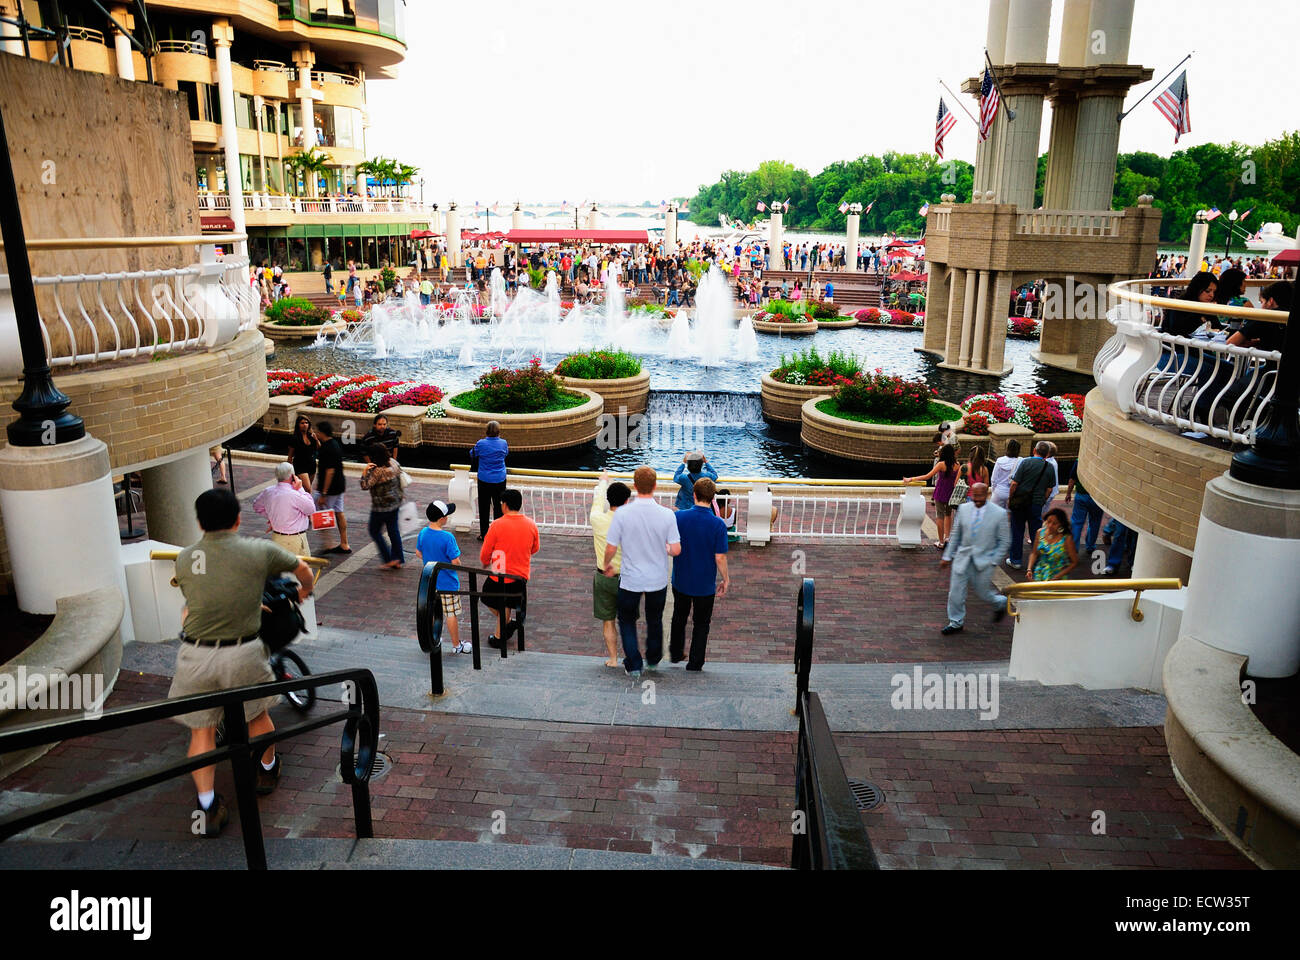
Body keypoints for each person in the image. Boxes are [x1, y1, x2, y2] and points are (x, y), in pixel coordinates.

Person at [169, 488, 314, 835]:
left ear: (200, 522)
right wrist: (303, 591)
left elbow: (203, 598)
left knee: (201, 731)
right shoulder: (257, 550)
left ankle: (208, 806)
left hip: (196, 654)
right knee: (257, 716)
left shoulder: (186, 558)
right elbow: (303, 569)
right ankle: (266, 768)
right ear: (237, 519)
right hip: (242, 652)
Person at [603, 466, 681, 677]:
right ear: (655, 486)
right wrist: (665, 548)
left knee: (627, 620)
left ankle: (634, 664)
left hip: (630, 579)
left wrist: (607, 564)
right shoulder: (667, 515)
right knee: (654, 620)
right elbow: (676, 550)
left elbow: (611, 547)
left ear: (635, 486)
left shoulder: (622, 513)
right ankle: (653, 660)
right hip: (657, 579)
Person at [669, 477, 730, 672]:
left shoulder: (679, 518)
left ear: (693, 495)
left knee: (679, 616)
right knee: (701, 623)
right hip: (705, 585)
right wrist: (725, 579)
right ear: (712, 498)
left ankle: (676, 652)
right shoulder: (718, 525)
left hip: (681, 580)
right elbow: (719, 557)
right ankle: (695, 662)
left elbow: (670, 546)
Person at [939, 482, 1009, 635]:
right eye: (974, 496)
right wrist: (947, 556)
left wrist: (993, 561)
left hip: (984, 561)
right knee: (955, 593)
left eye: (981, 496)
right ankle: (956, 622)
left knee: (983, 593)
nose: (977, 499)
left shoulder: (999, 513)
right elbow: (956, 534)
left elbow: (1004, 541)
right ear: (971, 494)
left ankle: (1000, 602)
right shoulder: (963, 509)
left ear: (987, 494)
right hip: (962, 558)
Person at [479, 488, 540, 648]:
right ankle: (505, 625)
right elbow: (535, 548)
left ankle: (500, 634)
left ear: (504, 505)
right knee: (507, 602)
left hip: (499, 572)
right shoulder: (531, 524)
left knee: (487, 597)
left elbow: (486, 551)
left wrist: (486, 561)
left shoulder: (497, 525)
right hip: (520, 575)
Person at [590, 472, 632, 668]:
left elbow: (598, 499)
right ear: (626, 501)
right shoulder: (631, 523)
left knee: (608, 621)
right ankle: (631, 657)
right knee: (628, 620)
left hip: (603, 577)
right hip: (628, 579)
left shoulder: (597, 518)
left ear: (609, 499)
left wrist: (603, 482)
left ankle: (613, 659)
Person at [418, 500, 470, 654]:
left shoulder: (423, 533)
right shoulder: (448, 537)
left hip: (430, 582)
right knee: (451, 614)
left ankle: (435, 638)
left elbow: (418, 552)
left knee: (435, 611)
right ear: (442, 518)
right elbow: (455, 561)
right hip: (448, 583)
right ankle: (456, 645)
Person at [1006, 441, 1057, 570]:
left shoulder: (1025, 462)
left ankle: (1015, 560)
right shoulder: (1049, 467)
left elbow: (1014, 484)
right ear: (1047, 454)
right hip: (1036, 504)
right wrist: (1042, 500)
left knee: (1017, 530)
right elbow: (1050, 489)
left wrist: (1010, 498)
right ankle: (1037, 561)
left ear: (1034, 450)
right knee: (1036, 532)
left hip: (1020, 503)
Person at [252, 462, 317, 558]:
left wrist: (272, 516)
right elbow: (311, 509)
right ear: (292, 476)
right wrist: (300, 489)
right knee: (302, 570)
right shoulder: (295, 494)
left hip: (277, 538)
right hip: (295, 539)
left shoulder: (268, 491)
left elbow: (256, 506)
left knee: (281, 570)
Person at [904, 445, 959, 549]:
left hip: (940, 492)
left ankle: (941, 542)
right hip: (951, 493)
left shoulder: (941, 464)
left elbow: (927, 476)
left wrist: (911, 479)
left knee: (940, 516)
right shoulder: (957, 464)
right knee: (948, 515)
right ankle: (947, 538)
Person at [359, 443, 404, 569]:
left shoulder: (378, 471)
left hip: (381, 507)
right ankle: (398, 558)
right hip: (395, 503)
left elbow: (365, 485)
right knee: (393, 531)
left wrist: (365, 471)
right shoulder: (394, 463)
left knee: (374, 530)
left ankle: (388, 559)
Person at [313, 421, 351, 554]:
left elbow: (330, 471)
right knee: (339, 513)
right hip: (339, 485)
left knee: (321, 514)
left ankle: (328, 544)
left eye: (318, 431)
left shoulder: (327, 449)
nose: (316, 433)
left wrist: (323, 493)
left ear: (322, 432)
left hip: (330, 489)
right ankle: (344, 543)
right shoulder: (334, 444)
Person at [470, 420, 509, 540]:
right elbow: (506, 454)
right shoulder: (503, 443)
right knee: (499, 507)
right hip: (499, 479)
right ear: (498, 432)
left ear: (486, 431)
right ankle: (498, 534)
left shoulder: (481, 443)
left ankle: (484, 534)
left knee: (484, 506)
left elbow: (472, 454)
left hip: (484, 479)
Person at [1064, 460, 1103, 556]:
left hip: (1081, 495)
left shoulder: (1079, 461)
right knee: (1095, 522)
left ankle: (1073, 548)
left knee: (1077, 523)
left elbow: (1072, 479)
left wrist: (1068, 493)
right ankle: (1090, 546)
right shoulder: (1102, 461)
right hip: (1097, 498)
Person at [1029, 508, 1078, 582]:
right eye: (1048, 522)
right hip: (1040, 573)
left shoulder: (1066, 538)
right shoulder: (1040, 533)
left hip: (1057, 578)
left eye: (1054, 523)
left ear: (1061, 524)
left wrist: (1058, 576)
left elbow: (1074, 562)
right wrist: (1029, 569)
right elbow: (1034, 553)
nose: (1050, 525)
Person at [287, 414, 319, 493]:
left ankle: (301, 503)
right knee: (308, 489)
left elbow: (318, 448)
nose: (305, 425)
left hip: (311, 465)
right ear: (298, 425)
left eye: (306, 423)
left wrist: (316, 439)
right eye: (302, 423)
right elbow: (290, 456)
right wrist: (289, 470)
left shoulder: (311, 436)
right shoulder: (294, 438)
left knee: (306, 491)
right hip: (300, 466)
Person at [989, 439, 1022, 508]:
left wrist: (994, 491)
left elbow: (993, 479)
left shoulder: (1000, 460)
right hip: (1012, 493)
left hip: (999, 491)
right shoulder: (1021, 461)